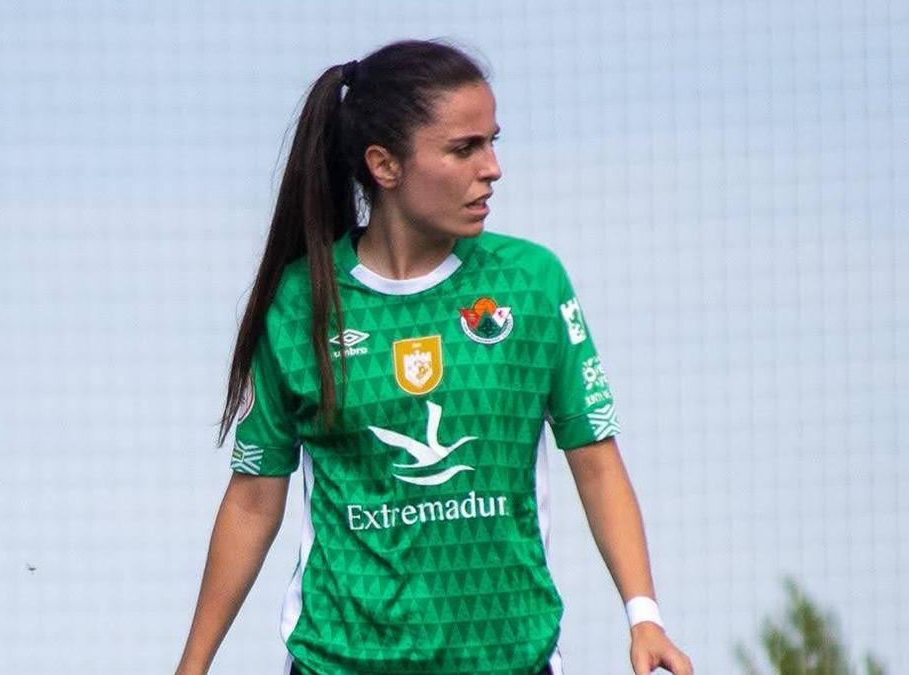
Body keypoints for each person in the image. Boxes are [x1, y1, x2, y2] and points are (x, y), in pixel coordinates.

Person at [174, 39, 693, 675]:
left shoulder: (531, 283)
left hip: (509, 661)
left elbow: (597, 462)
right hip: (339, 662)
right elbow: (254, 498)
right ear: (384, 165)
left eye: (492, 142)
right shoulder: (301, 303)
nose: (493, 168)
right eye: (464, 148)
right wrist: (192, 665)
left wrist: (644, 616)